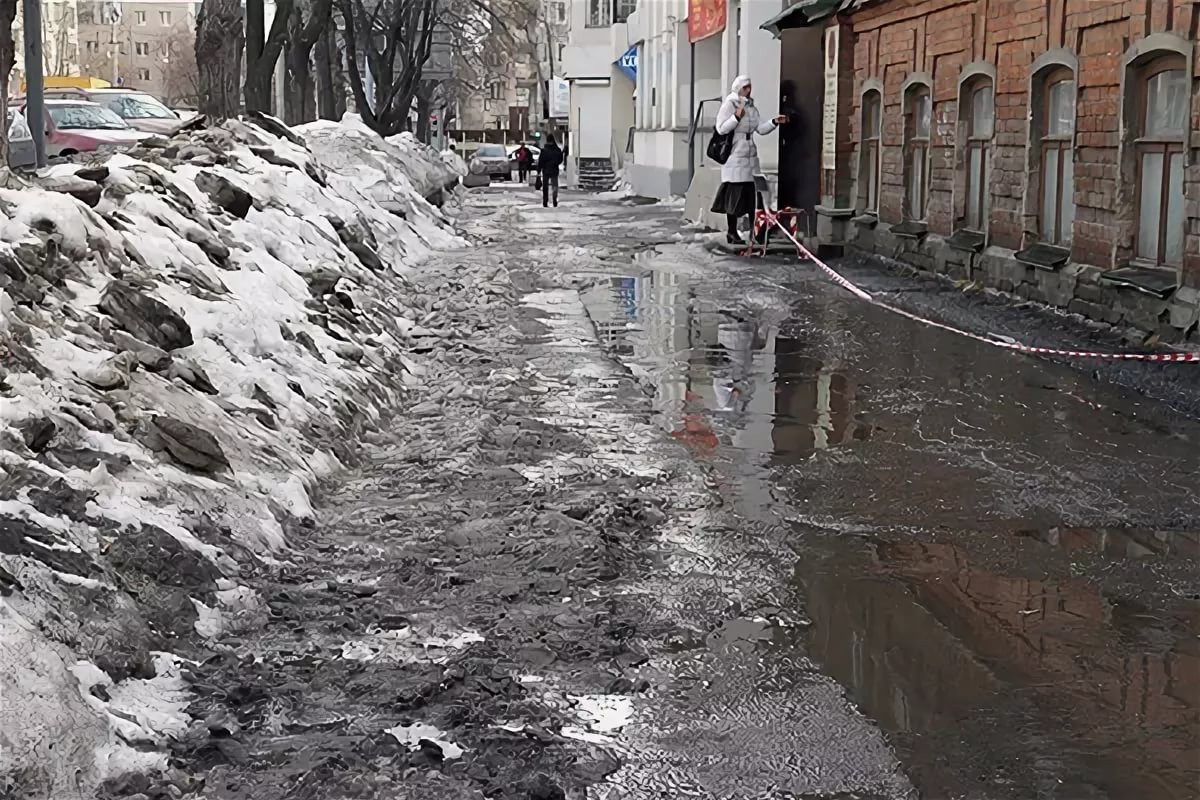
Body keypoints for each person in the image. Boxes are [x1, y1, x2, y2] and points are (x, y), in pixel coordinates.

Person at [711, 75, 788, 245]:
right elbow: (721, 128)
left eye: (750, 87)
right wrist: (736, 118)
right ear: (738, 88)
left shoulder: (751, 106)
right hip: (735, 156)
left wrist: (774, 122)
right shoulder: (730, 104)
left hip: (751, 155)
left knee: (755, 196)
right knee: (734, 195)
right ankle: (732, 233)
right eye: (745, 87)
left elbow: (759, 128)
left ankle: (756, 232)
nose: (748, 90)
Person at [537, 135, 564, 208]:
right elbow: (560, 159)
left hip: (545, 170)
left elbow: (540, 161)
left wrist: (539, 170)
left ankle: (545, 201)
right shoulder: (557, 150)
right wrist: (555, 163)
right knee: (554, 185)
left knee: (545, 186)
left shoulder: (544, 150)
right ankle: (554, 199)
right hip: (554, 170)